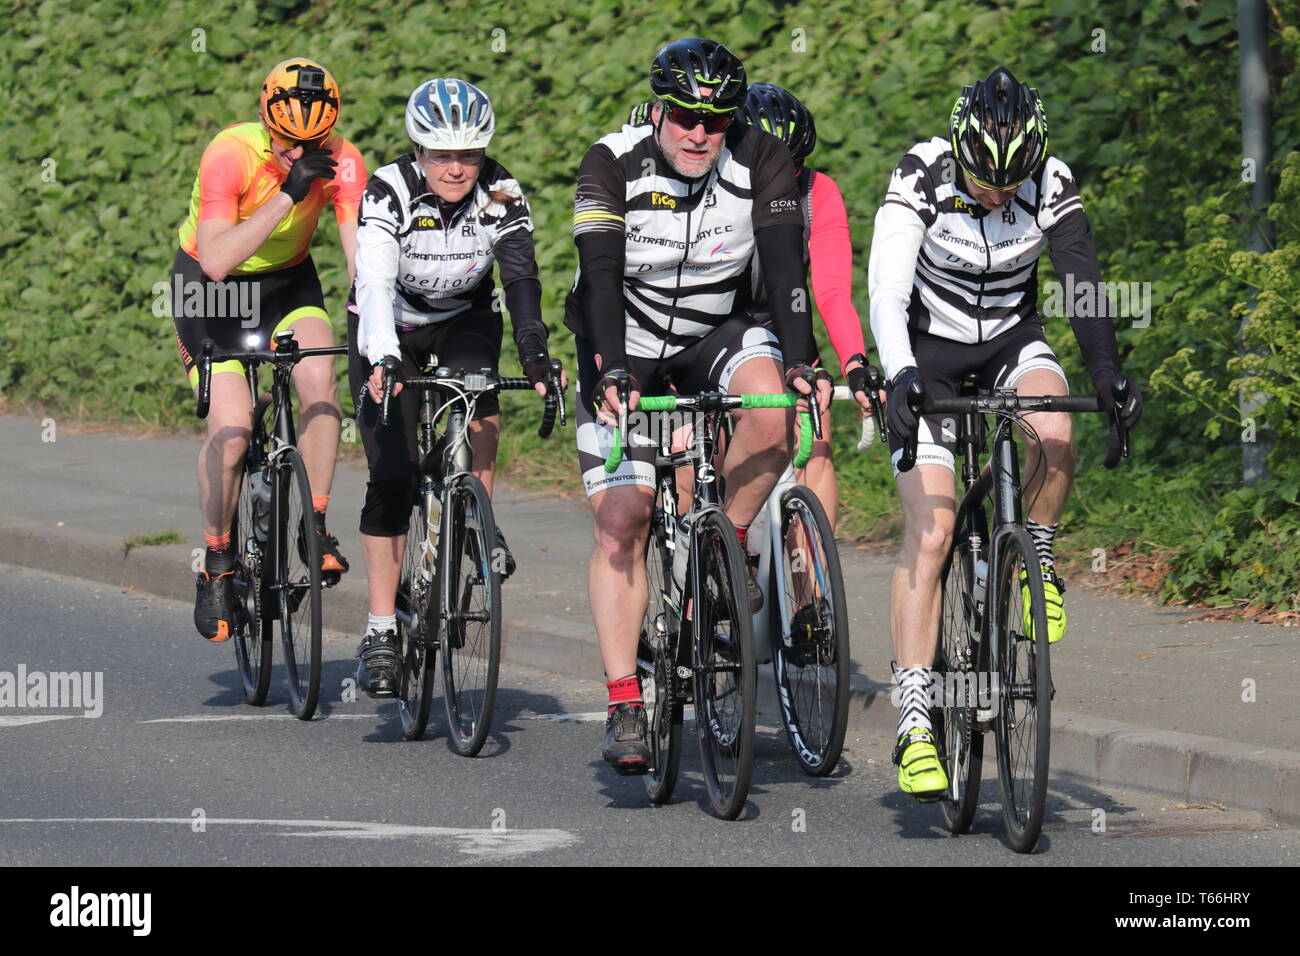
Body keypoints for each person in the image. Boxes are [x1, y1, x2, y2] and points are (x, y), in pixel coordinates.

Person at [867, 66, 1142, 799]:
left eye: (1011, 181)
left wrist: (1107, 371)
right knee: (931, 532)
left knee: (1053, 427)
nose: (998, 193)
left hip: (1009, 343)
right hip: (930, 357)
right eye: (985, 180)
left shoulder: (1048, 179)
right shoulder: (920, 175)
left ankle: (1037, 558)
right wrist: (897, 374)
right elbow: (888, 289)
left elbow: (1080, 278)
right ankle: (917, 718)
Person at [567, 38, 831, 773]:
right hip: (625, 332)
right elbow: (599, 276)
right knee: (623, 519)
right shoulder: (610, 162)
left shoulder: (763, 158)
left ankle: (729, 544)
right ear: (658, 108)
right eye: (683, 116)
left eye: (714, 121)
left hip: (718, 329)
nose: (697, 133)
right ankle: (625, 700)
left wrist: (805, 363)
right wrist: (613, 372)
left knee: (776, 414)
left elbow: (786, 274)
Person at [348, 78, 561, 697]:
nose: (455, 167)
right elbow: (375, 282)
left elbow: (521, 279)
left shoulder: (500, 192)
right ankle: (382, 627)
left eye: (467, 154)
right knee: (392, 472)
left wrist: (537, 354)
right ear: (418, 151)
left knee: (478, 399)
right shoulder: (388, 189)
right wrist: (384, 357)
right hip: (389, 323)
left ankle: (474, 513)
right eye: (441, 154)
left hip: (465, 318)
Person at [173, 57, 364, 642]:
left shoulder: (345, 160)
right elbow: (218, 260)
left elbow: (360, 262)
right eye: (285, 142)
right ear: (266, 122)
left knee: (320, 379)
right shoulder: (229, 153)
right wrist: (288, 192)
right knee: (231, 433)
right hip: (212, 290)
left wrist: (375, 328)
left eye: (311, 143)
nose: (296, 153)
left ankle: (317, 523)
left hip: (287, 283)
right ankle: (216, 560)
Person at [735, 82, 876, 529]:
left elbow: (832, 292)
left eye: (794, 164)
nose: (784, 173)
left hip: (785, 326)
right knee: (694, 451)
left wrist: (856, 363)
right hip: (714, 329)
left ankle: (813, 592)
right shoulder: (712, 185)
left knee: (816, 441)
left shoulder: (818, 192)